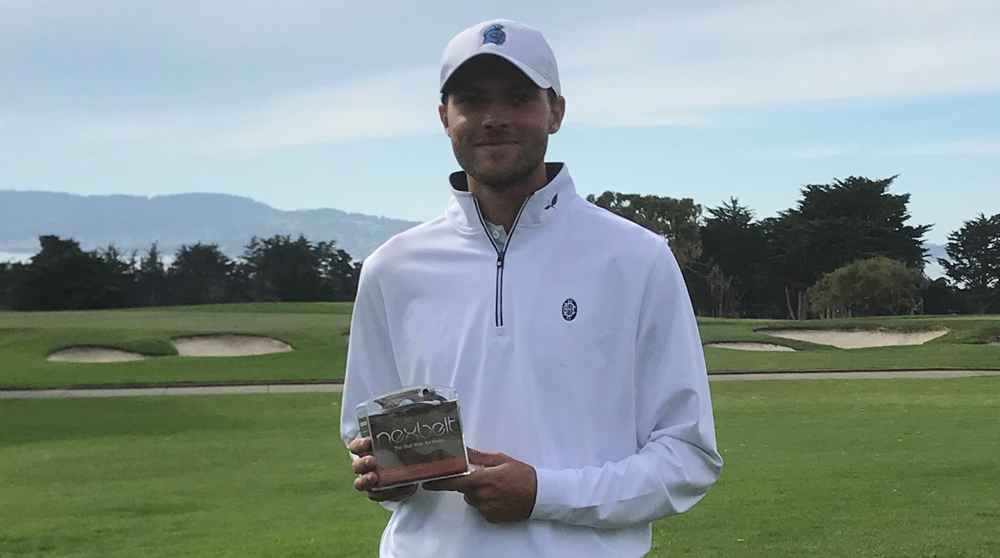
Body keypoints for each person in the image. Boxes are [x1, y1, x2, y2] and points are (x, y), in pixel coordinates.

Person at [340, 19, 723, 558]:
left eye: (518, 97)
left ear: (556, 111)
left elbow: (687, 456)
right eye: (472, 100)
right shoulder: (392, 268)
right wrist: (389, 479)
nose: (494, 118)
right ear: (445, 118)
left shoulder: (636, 258)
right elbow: (371, 441)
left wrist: (545, 494)